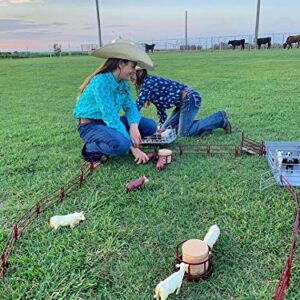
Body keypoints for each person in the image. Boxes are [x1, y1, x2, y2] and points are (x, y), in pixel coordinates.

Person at [73, 39, 157, 164]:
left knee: (150, 126)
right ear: (121, 63)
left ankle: (117, 138)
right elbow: (110, 116)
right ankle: (89, 149)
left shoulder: (123, 84)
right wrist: (133, 148)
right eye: (132, 66)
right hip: (90, 126)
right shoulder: (101, 81)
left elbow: (130, 107)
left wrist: (134, 127)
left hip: (106, 123)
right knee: (122, 145)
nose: (134, 71)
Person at [131, 68, 231, 137]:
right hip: (182, 103)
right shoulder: (146, 84)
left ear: (140, 72)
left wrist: (130, 123)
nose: (130, 77)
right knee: (167, 130)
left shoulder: (148, 83)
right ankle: (205, 128)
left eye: (132, 73)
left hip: (190, 98)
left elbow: (137, 105)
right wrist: (162, 127)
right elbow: (160, 108)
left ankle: (220, 118)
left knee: (184, 133)